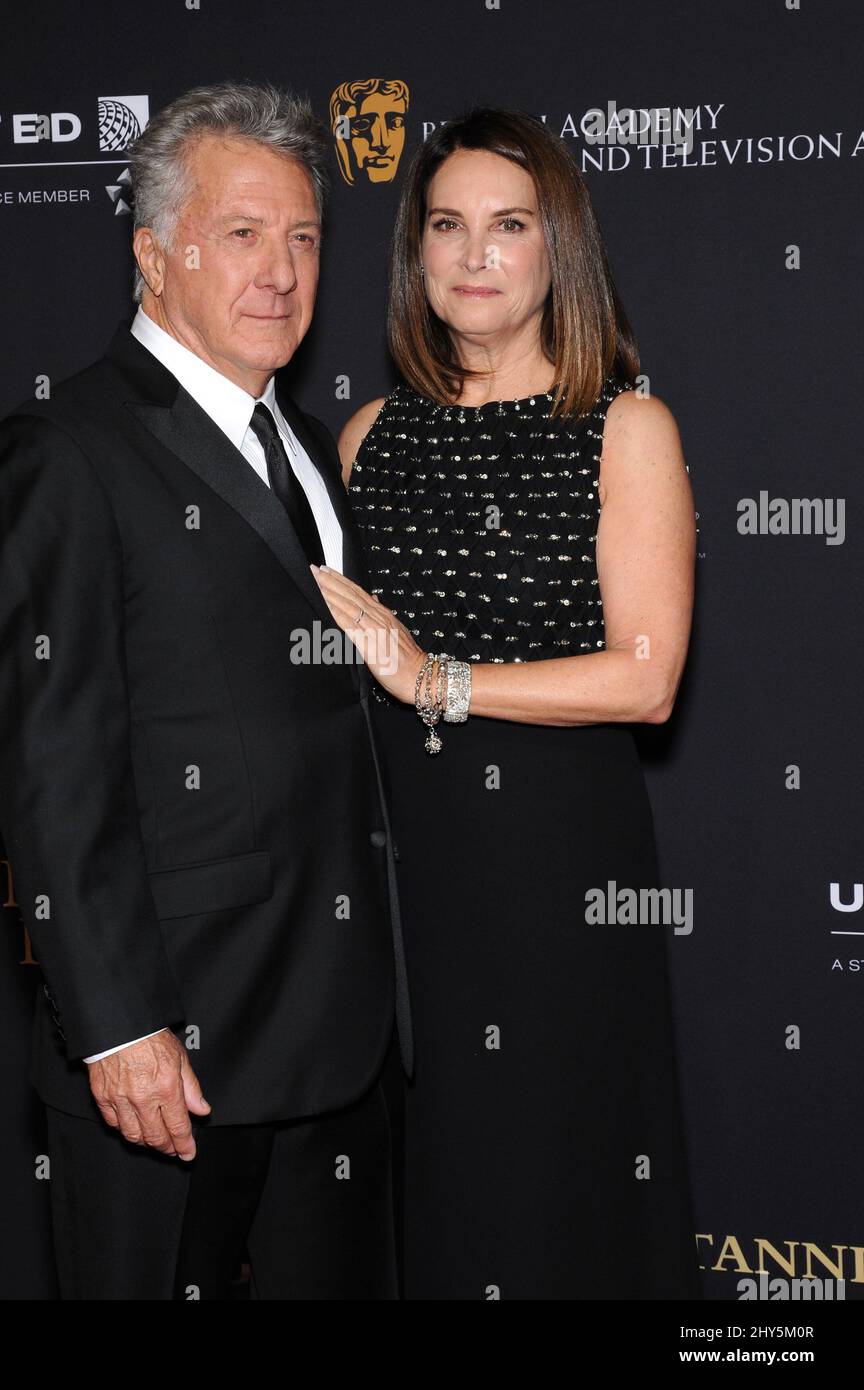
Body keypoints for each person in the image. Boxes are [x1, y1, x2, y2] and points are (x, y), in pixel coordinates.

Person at [0, 81, 412, 1300]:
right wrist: (115, 1023)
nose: (280, 270)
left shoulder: (311, 448)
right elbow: (50, 763)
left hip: (340, 1044)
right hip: (172, 1060)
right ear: (155, 255)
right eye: (242, 234)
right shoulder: (65, 451)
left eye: (305, 237)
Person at [316, 106, 701, 1298]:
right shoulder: (367, 437)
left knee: (558, 1185)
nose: (473, 255)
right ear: (413, 253)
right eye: (445, 225)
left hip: (556, 876)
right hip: (404, 877)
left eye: (507, 225)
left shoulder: (622, 427)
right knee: (434, 1192)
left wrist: (440, 679)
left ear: (556, 250)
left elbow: (645, 676)